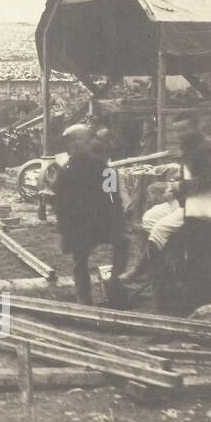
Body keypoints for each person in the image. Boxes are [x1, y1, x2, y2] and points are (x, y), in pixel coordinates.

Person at [122, 127, 211, 282]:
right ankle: (162, 258)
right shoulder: (191, 150)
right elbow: (185, 178)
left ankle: (142, 269)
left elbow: (210, 181)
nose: (178, 135)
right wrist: (175, 187)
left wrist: (180, 187)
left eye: (182, 131)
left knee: (161, 228)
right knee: (150, 217)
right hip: (189, 200)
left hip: (207, 206)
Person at [52, 129, 126, 307]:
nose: (77, 144)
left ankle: (116, 285)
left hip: (102, 220)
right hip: (79, 223)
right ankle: (83, 297)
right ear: (68, 146)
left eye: (80, 140)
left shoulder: (102, 167)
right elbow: (60, 203)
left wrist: (116, 219)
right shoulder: (65, 172)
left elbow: (113, 195)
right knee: (79, 258)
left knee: (123, 243)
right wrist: (63, 228)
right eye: (72, 142)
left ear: (87, 143)